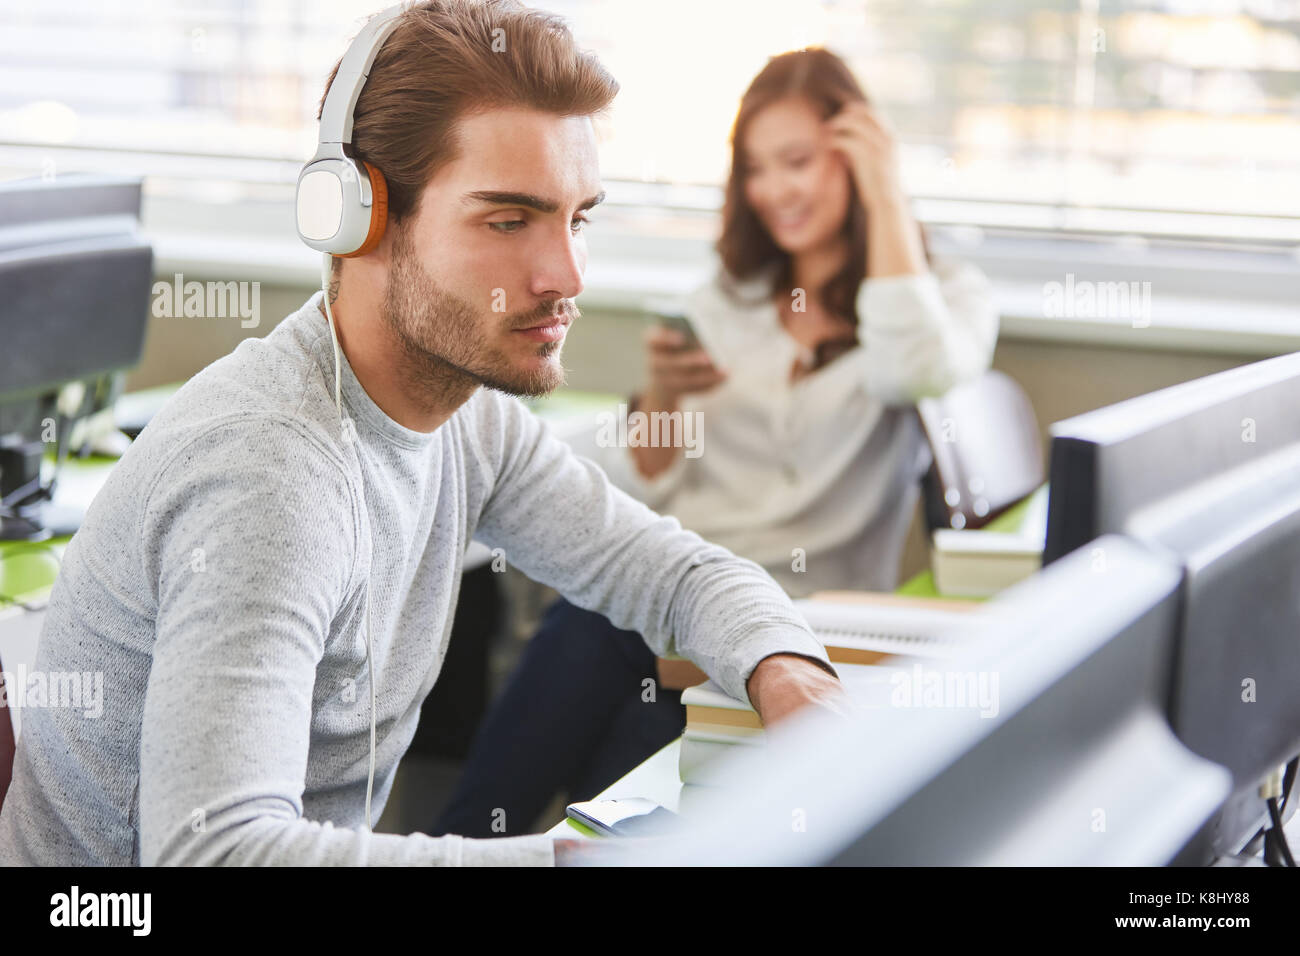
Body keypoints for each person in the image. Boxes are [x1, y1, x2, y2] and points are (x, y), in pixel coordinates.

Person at [0, 0, 849, 868]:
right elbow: (215, 855)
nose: (566, 274)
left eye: (577, 218)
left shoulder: (467, 417)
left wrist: (787, 667)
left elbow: (672, 576)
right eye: (508, 220)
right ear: (359, 217)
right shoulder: (269, 474)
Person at [433, 47, 998, 838]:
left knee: (598, 637)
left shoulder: (941, 301)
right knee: (624, 724)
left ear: (858, 157)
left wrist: (885, 195)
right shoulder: (723, 303)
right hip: (677, 609)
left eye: (798, 162)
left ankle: (458, 841)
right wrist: (663, 400)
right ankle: (487, 841)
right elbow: (648, 490)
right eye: (757, 169)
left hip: (802, 611)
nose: (775, 191)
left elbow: (916, 371)